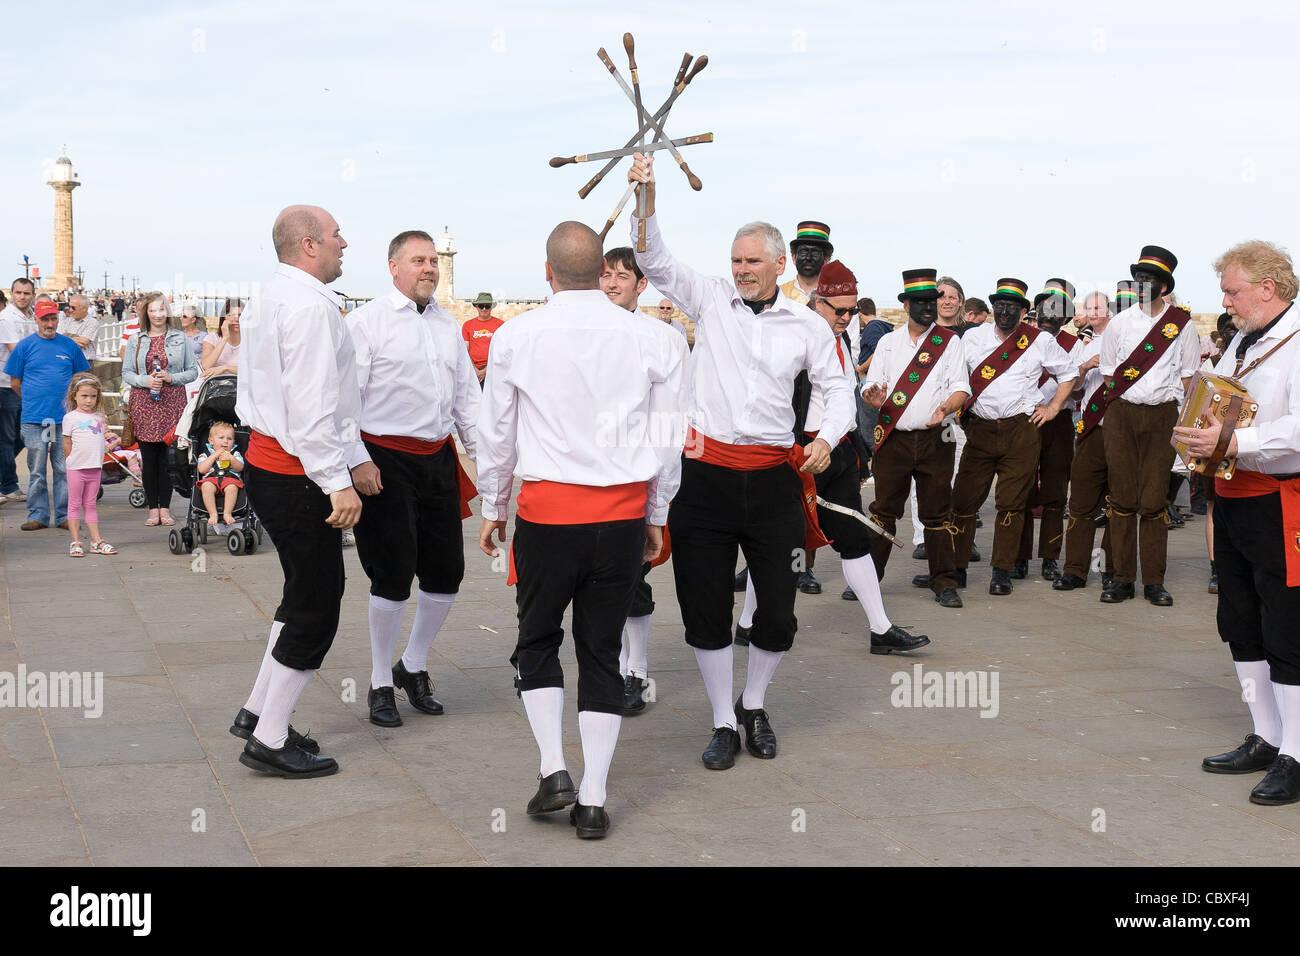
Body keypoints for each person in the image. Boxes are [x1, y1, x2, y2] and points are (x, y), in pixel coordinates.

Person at [629, 152, 853, 771]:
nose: (743, 270)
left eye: (754, 261)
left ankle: (754, 703)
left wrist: (828, 437)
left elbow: (837, 390)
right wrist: (647, 195)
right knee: (703, 603)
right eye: (736, 260)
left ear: (780, 265)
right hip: (704, 480)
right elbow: (654, 258)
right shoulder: (709, 298)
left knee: (777, 607)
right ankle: (723, 720)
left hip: (776, 481)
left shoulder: (809, 326)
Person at [477, 221, 686, 838]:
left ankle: (553, 769)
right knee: (601, 650)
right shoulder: (656, 339)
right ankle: (592, 798)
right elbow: (668, 438)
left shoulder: (516, 336)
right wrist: (658, 514)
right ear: (603, 271)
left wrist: (494, 505)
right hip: (620, 516)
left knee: (537, 641)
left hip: (548, 514)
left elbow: (497, 434)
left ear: (548, 271)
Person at [229, 203, 363, 779]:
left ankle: (258, 710)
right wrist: (339, 482)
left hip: (270, 462)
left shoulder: (270, 296)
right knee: (318, 605)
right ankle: (269, 735)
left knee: (299, 595)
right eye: (335, 235)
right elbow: (311, 409)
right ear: (309, 244)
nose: (344, 243)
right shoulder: (309, 307)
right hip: (296, 471)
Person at [1176, 240, 1300, 804]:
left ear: (1267, 289)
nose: (1224, 302)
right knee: (1239, 615)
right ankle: (1267, 736)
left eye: (1232, 291)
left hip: (1279, 500)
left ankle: (1297, 752)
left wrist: (1233, 438)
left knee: (1287, 625)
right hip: (1230, 492)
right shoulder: (1240, 342)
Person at [348, 230, 480, 729]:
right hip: (382, 459)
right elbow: (344, 402)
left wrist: (490, 474)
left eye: (433, 261)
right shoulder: (365, 323)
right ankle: (381, 679)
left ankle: (414, 663)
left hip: (436, 458)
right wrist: (356, 460)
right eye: (419, 260)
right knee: (392, 573)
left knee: (447, 573)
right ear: (393, 266)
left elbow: (469, 401)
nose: (429, 268)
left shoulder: (449, 326)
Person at [779, 261, 928, 653]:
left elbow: (842, 395)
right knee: (781, 544)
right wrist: (792, 447)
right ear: (817, 301)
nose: (846, 317)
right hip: (802, 452)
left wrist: (858, 445)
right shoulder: (794, 338)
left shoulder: (842, 339)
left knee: (853, 537)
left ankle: (881, 629)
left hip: (838, 451)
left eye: (851, 309)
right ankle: (749, 624)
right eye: (837, 310)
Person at [946, 278, 1077, 596]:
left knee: (1011, 503)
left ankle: (1001, 571)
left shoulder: (1039, 340)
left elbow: (1069, 373)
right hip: (980, 427)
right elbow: (954, 375)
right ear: (993, 308)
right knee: (964, 500)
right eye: (1000, 305)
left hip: (1021, 429)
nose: (1005, 312)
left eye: (1012, 307)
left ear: (1022, 311)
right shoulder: (973, 337)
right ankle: (956, 567)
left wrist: (1053, 408)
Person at [1097, 245, 1200, 606]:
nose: (1143, 284)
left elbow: (1190, 378)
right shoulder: (1119, 323)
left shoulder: (1181, 325)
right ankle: (1121, 578)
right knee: (1122, 498)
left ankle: (1154, 581)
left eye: (1150, 279)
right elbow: (1109, 373)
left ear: (1163, 286)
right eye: (1138, 278)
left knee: (1155, 501)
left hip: (1162, 417)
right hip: (1123, 415)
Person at [863, 268, 969, 608]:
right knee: (883, 511)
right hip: (894, 439)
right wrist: (872, 395)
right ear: (906, 305)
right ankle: (868, 581)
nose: (928, 307)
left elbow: (961, 387)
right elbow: (872, 383)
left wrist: (947, 408)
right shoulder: (888, 343)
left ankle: (944, 582)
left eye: (931, 301)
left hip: (935, 438)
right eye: (920, 302)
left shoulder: (949, 343)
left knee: (937, 513)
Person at [602, 247, 661, 715]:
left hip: (634, 478)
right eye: (605, 274)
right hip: (582, 476)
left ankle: (635, 671)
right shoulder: (582, 332)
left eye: (623, 275)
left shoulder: (659, 337)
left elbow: (669, 418)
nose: (612, 282)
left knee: (632, 579)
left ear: (642, 284)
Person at [1054, 285, 1122, 591]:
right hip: (1090, 428)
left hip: (1120, 427)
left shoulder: (1123, 337)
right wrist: (1084, 365)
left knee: (1118, 505)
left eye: (1098, 308)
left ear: (1109, 311)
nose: (1093, 314)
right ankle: (1075, 570)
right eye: (1089, 309)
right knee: (1081, 503)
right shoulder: (1081, 345)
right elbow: (1076, 389)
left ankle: (1111, 570)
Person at [1014, 279, 1082, 580]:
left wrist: (1068, 381)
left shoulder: (1074, 344)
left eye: (1056, 309)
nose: (1047, 313)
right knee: (1021, 490)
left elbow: (1078, 392)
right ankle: (1017, 556)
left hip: (1059, 423)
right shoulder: (1020, 339)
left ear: (1066, 318)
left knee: (1055, 493)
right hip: (1025, 420)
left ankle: (1050, 557)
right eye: (1044, 307)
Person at [5, 300, 91, 530]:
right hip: (34, 419)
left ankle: (64, 515)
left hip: (65, 420)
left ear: (58, 320)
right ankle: (38, 514)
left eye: (53, 318)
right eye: (45, 319)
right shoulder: (24, 347)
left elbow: (81, 378)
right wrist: (33, 402)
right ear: (36, 320)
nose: (49, 323)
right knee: (37, 469)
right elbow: (15, 382)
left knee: (64, 468)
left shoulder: (69, 346)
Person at [122, 292, 198, 526]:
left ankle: (165, 508)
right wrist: (145, 381)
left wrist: (170, 377)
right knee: (149, 459)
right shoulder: (136, 339)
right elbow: (126, 373)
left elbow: (193, 371)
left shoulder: (180, 337)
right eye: (153, 310)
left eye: (161, 309)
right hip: (145, 403)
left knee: (167, 459)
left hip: (171, 402)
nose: (157, 315)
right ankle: (152, 508)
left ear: (168, 311)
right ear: (146, 313)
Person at [62, 374, 118, 556]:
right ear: (75, 396)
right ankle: (75, 542)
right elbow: (67, 443)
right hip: (76, 468)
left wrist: (109, 445)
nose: (89, 400)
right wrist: (71, 461)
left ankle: (96, 541)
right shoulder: (70, 418)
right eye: (84, 396)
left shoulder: (100, 418)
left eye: (93, 396)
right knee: (74, 504)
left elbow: (101, 439)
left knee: (91, 504)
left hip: (94, 467)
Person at [0, 278, 36, 502]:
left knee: (23, 435)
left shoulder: (32, 317)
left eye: (26, 293)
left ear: (33, 294)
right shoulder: (6, 318)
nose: (22, 296)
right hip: (6, 384)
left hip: (26, 384)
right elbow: (18, 353)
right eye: (18, 293)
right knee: (7, 436)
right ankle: (9, 485)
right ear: (12, 294)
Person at [196, 421, 245, 528]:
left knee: (232, 487)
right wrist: (214, 456)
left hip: (230, 479)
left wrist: (231, 459)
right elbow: (202, 470)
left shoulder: (235, 453)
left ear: (233, 441)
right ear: (211, 441)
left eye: (229, 439)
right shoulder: (205, 454)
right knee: (206, 486)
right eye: (221, 438)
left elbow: (240, 467)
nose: (225, 441)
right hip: (211, 478)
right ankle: (212, 513)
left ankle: (227, 513)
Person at [461, 293, 504, 386]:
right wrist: (475, 370)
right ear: (476, 307)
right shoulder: (467, 325)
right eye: (481, 306)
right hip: (473, 369)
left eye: (487, 306)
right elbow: (464, 350)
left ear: (491, 307)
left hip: (494, 369)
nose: (484, 309)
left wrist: (485, 371)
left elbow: (503, 350)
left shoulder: (501, 325)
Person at [201, 299, 242, 378]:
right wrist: (225, 338)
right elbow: (206, 366)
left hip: (242, 386)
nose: (237, 319)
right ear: (225, 317)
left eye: (240, 315)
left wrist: (225, 368)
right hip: (218, 387)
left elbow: (252, 371)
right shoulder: (212, 338)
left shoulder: (250, 341)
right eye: (232, 315)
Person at [58, 294, 100, 361]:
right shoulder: (67, 321)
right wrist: (72, 339)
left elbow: (83, 342)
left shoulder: (92, 323)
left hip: (83, 363)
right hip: (66, 361)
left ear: (84, 308)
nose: (70, 310)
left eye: (73, 308)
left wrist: (64, 338)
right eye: (69, 307)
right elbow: (56, 338)